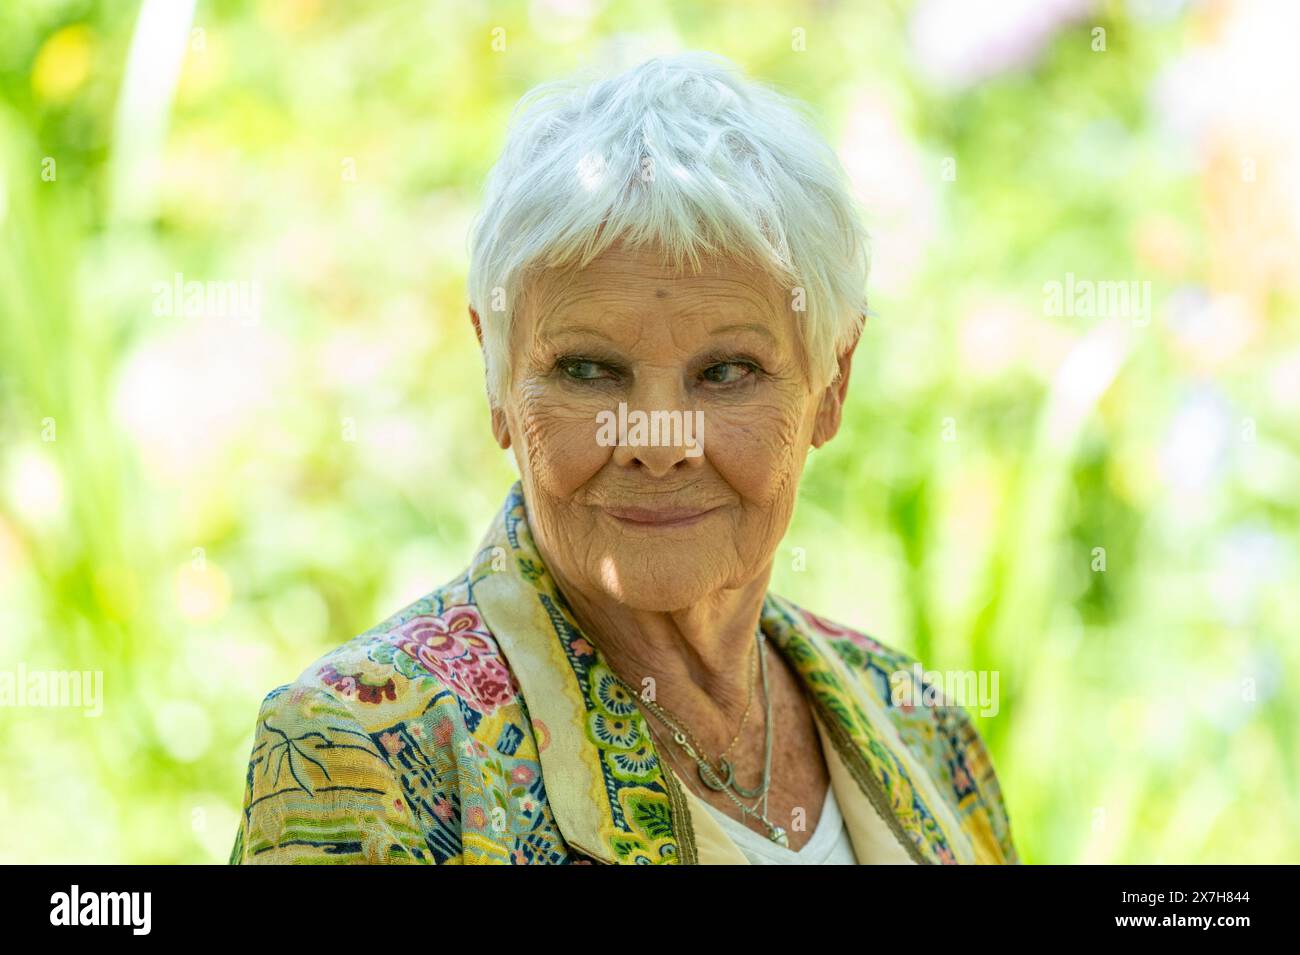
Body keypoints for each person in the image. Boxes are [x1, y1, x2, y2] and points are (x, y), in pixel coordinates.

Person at [230, 51, 1018, 865]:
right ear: (498, 378)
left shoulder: (921, 723)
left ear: (831, 385)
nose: (656, 442)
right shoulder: (365, 752)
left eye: (725, 372)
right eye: (587, 370)